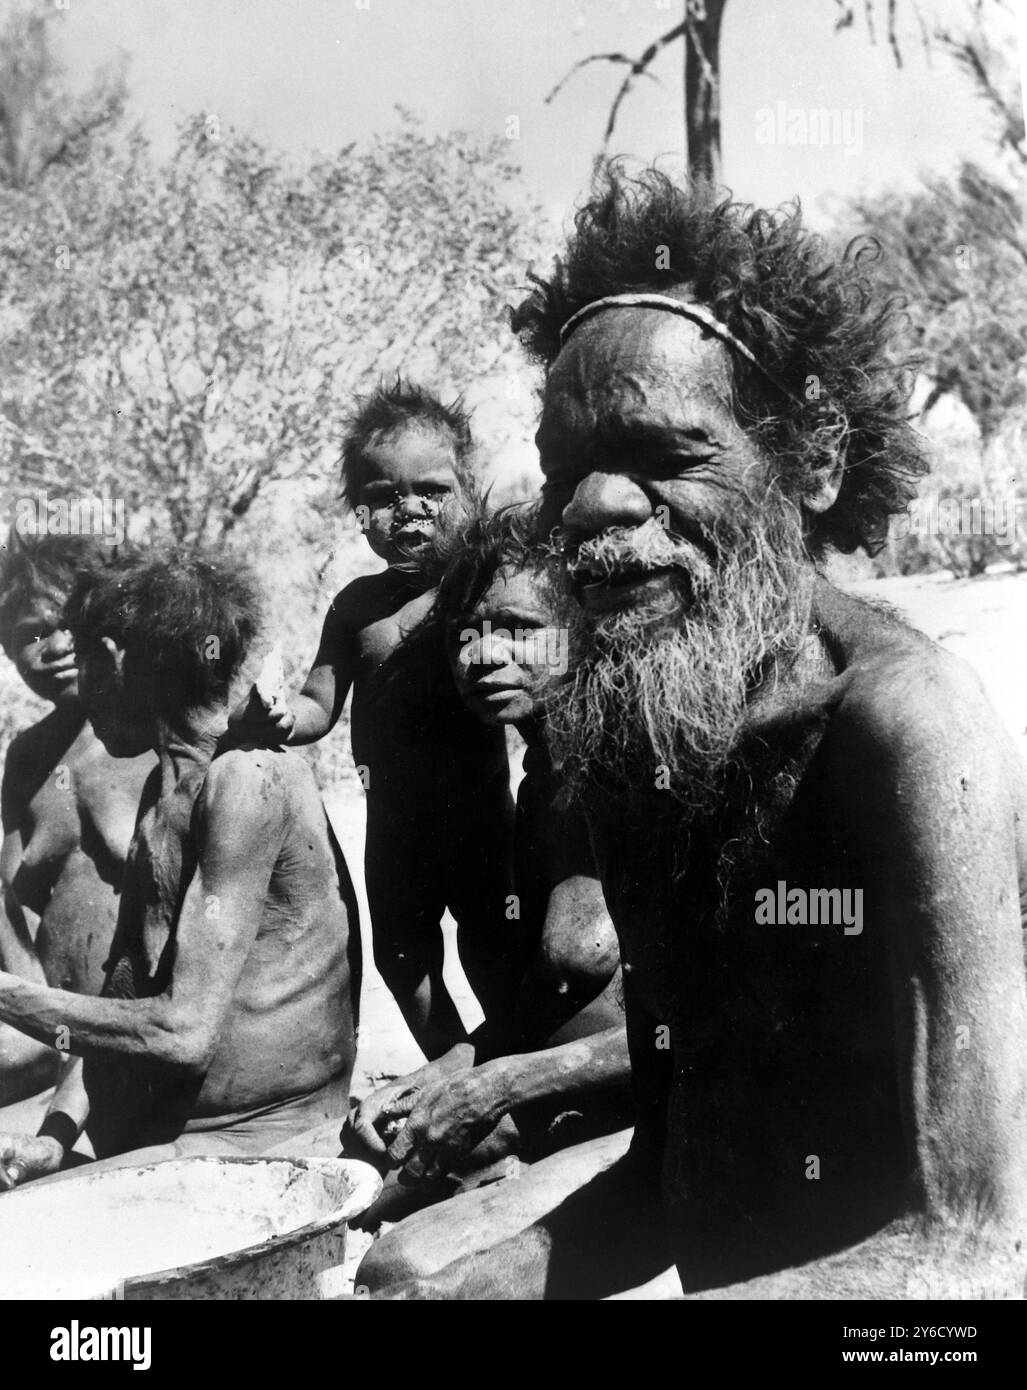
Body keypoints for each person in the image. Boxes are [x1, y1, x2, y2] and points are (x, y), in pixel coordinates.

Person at [375, 166, 1027, 1300]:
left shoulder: (908, 731)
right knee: (406, 1276)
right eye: (567, 469)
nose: (592, 511)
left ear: (811, 463)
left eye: (664, 457)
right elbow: (674, 1171)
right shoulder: (636, 738)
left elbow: (971, 1248)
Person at [0, 548, 359, 1187]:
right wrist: (54, 1139)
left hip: (268, 1148)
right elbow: (124, 1000)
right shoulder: (164, 794)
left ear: (111, 659)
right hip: (182, 1145)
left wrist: (7, 995)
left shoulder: (247, 781)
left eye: (82, 659)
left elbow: (181, 1032)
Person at [351, 507, 635, 1286]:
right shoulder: (541, 780)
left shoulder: (636, 772)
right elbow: (566, 994)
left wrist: (502, 1083)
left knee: (398, 1267)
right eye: (463, 636)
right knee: (381, 1162)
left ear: (583, 628)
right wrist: (449, 1066)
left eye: (516, 628)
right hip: (583, 1092)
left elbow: (703, 1027)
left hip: (676, 1115)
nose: (481, 656)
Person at [230, 380, 517, 1061]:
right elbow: (317, 706)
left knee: (497, 949)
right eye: (383, 498)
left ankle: (510, 1073)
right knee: (401, 955)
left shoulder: (486, 584)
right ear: (358, 512)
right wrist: (273, 714)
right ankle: (450, 1069)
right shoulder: (356, 606)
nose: (409, 510)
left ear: (468, 491)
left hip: (482, 819)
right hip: (394, 820)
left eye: (430, 491)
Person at [0, 535, 153, 1116]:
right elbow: (13, 909)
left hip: (135, 1032)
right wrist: (37, 1013)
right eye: (29, 636)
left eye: (68, 624)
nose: (55, 648)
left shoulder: (155, 737)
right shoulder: (26, 757)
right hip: (48, 1035)